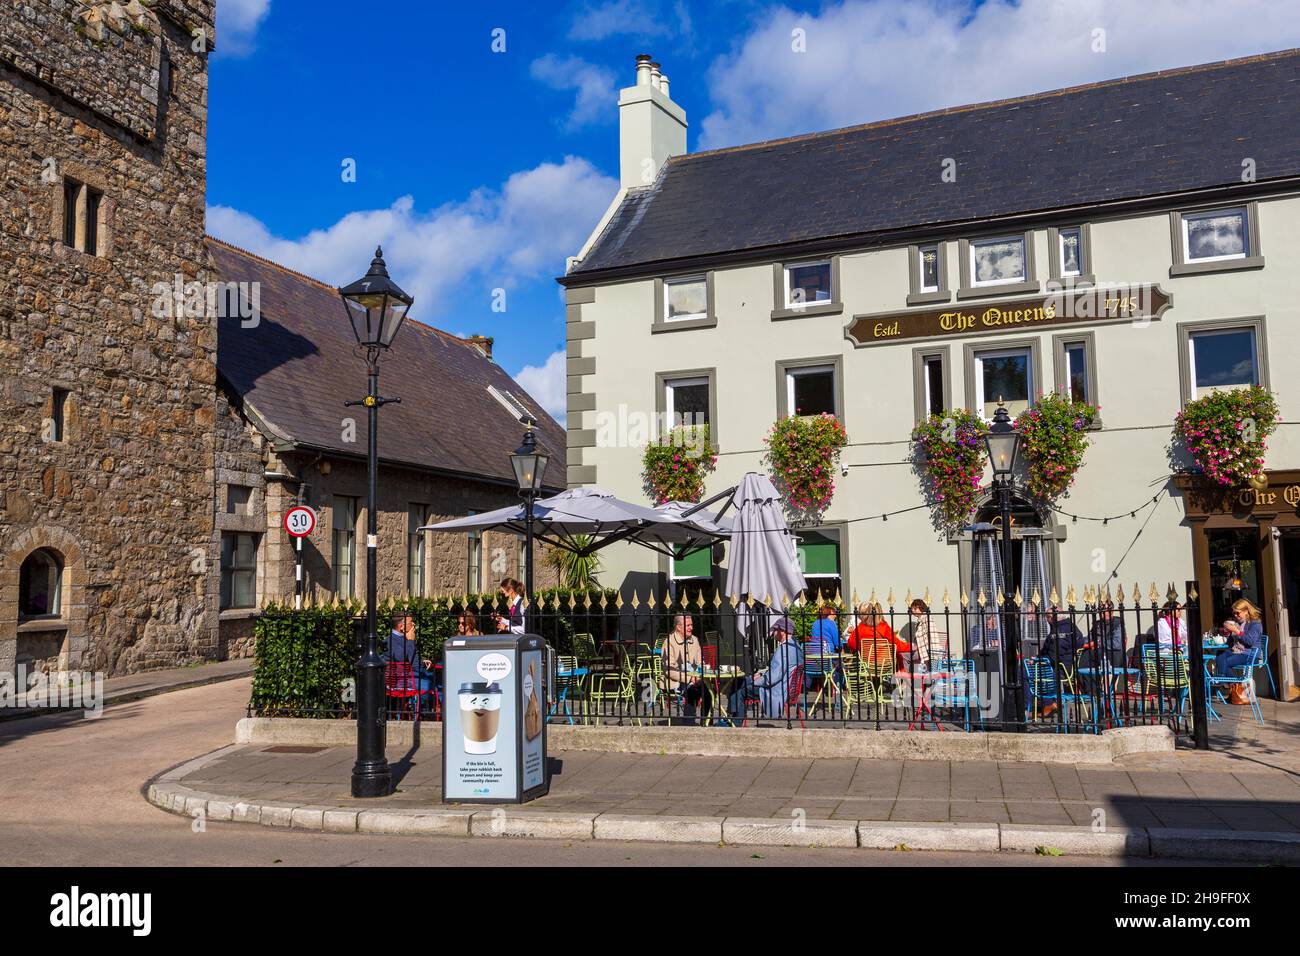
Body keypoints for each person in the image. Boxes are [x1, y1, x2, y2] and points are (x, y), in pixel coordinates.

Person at [730, 616, 804, 719]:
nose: (773, 633)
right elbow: (778, 671)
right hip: (786, 687)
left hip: (776, 690)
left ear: (782, 631)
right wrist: (760, 674)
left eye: (775, 630)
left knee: (740, 690)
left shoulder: (783, 650)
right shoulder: (796, 646)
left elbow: (771, 679)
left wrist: (754, 681)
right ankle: (731, 716)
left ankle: (735, 721)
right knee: (738, 681)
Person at [381, 609, 436, 714]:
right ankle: (426, 713)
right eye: (411, 622)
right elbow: (403, 660)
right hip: (405, 680)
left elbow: (409, 657)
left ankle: (423, 710)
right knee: (434, 684)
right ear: (401, 627)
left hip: (414, 674)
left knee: (439, 677)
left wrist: (422, 661)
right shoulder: (390, 641)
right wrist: (411, 641)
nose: (413, 624)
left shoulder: (403, 637)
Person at [661, 613, 712, 721]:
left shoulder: (695, 640)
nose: (691, 628)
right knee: (692, 691)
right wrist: (689, 678)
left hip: (695, 678)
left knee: (710, 691)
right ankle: (688, 723)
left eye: (691, 625)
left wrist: (699, 675)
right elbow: (669, 670)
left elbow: (700, 663)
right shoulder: (669, 642)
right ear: (678, 627)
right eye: (688, 625)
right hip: (675, 681)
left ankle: (706, 722)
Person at [1216, 598, 1263, 705]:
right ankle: (1231, 685)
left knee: (1225, 662)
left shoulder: (1255, 624)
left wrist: (1236, 631)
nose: (1236, 616)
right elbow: (1231, 643)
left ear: (1246, 610)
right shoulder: (1239, 623)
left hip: (1250, 653)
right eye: (1234, 613)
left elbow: (1250, 641)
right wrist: (1227, 633)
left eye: (1238, 613)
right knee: (1220, 654)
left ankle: (1227, 683)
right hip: (1237, 651)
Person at [1081, 602, 1127, 669]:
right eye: (1101, 609)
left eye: (1106, 610)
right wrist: (1079, 641)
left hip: (1114, 654)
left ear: (1112, 611)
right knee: (1085, 653)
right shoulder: (1097, 624)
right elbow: (1089, 638)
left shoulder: (1118, 623)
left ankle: (1090, 678)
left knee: (1090, 654)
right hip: (1098, 653)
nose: (1103, 612)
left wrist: (1098, 643)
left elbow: (1117, 644)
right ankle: (1085, 677)